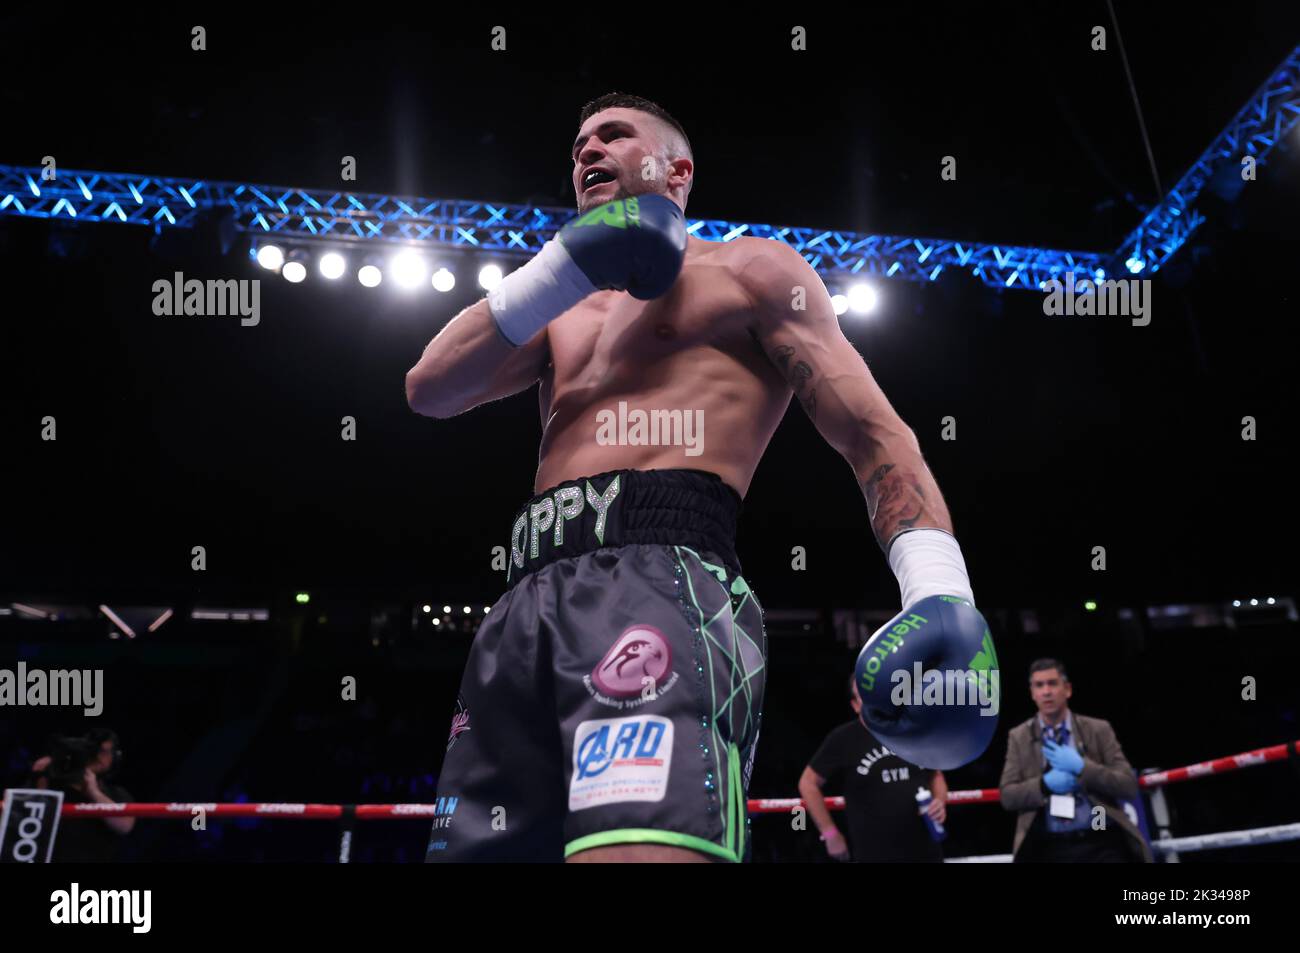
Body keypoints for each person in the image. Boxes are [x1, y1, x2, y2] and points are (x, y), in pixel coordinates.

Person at [408, 92, 989, 863]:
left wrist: (940, 588)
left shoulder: (749, 269)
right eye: (578, 143)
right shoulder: (560, 300)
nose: (586, 151)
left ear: (677, 170)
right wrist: (561, 266)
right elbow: (430, 388)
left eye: (613, 136)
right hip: (521, 604)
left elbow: (873, 433)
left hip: (662, 583)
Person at [999, 659, 1151, 862]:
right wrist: (1044, 785)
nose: (1046, 692)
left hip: (1100, 834)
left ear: (1067, 689)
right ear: (1032, 693)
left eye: (1052, 683)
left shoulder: (1098, 729)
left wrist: (1083, 768)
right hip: (1051, 845)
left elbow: (1127, 785)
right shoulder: (1019, 737)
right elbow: (1008, 795)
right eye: (1039, 685)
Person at [799, 676, 947, 862]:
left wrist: (939, 801)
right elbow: (807, 783)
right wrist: (830, 834)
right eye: (864, 695)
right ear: (855, 705)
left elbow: (936, 775)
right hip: (875, 854)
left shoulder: (910, 731)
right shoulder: (843, 739)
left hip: (926, 852)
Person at [32, 729, 135, 862]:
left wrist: (93, 792)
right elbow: (30, 816)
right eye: (96, 750)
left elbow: (125, 825)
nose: (98, 756)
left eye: (104, 751)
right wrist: (40, 776)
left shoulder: (115, 794)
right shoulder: (54, 786)